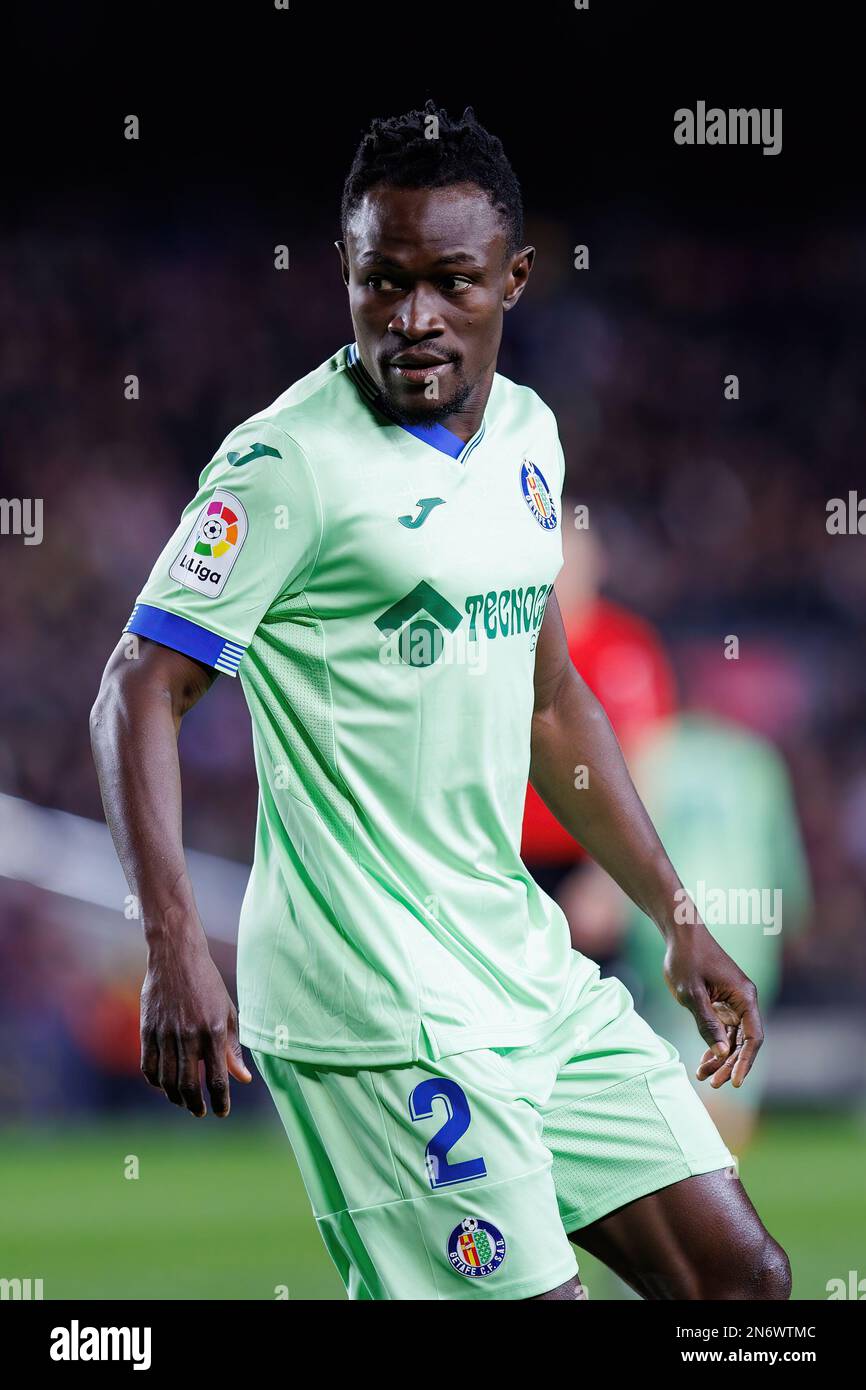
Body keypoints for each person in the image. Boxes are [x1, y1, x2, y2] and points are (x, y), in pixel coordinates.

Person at [90, 102, 790, 1301]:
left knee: (743, 1286)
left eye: (450, 285)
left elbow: (552, 702)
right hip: (373, 1002)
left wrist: (674, 911)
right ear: (347, 272)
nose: (411, 319)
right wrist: (171, 945)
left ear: (513, 279)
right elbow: (136, 687)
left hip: (518, 966)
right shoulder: (286, 465)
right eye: (383, 282)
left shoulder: (528, 438)